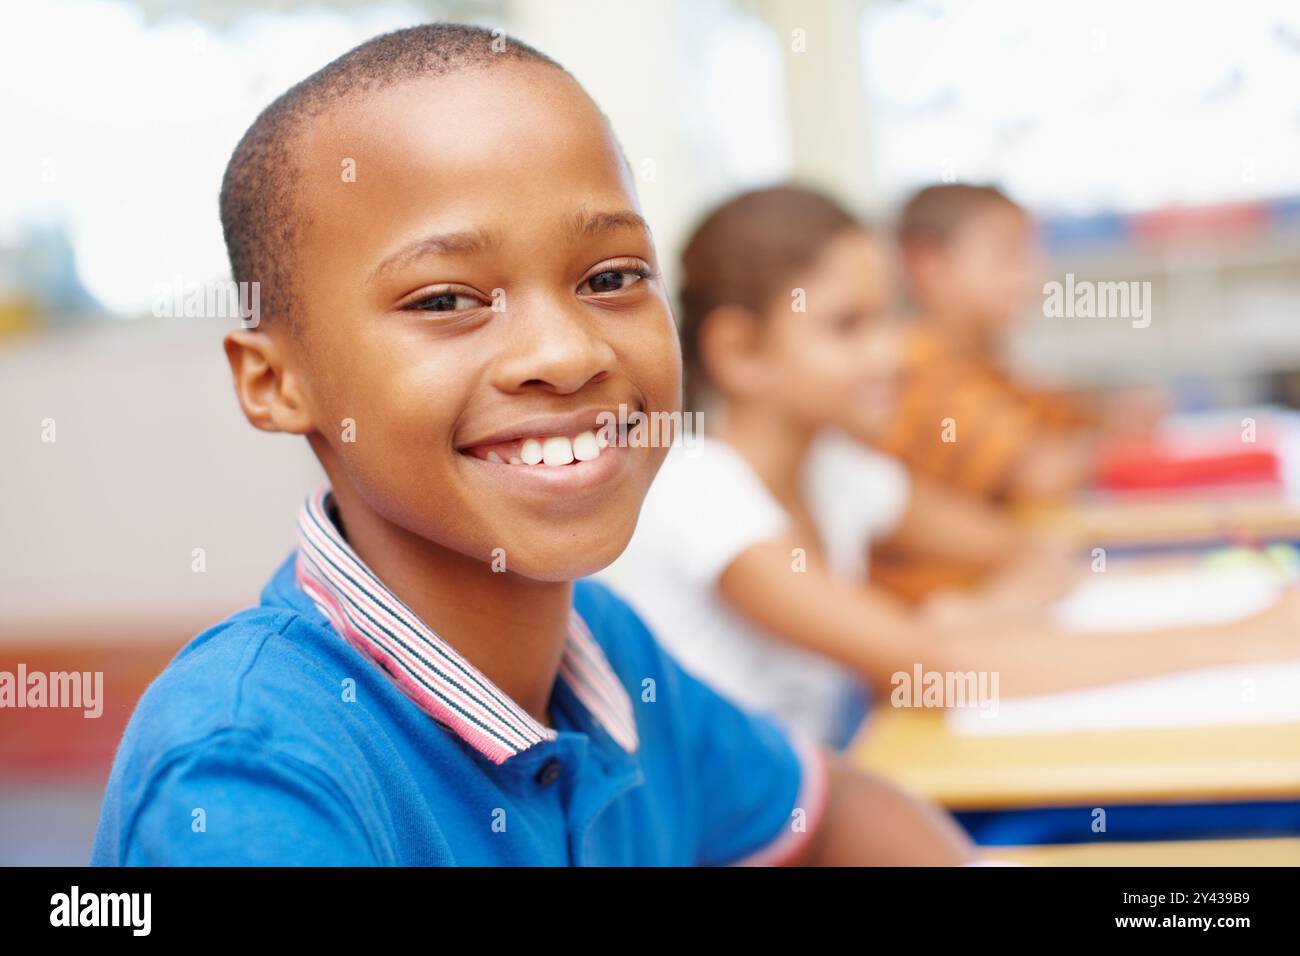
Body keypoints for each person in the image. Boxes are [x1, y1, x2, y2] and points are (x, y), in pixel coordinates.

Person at [89, 24, 974, 866]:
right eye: (444, 299)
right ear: (274, 383)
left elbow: (832, 816)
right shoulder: (247, 773)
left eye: (611, 278)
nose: (565, 352)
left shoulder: (597, 641)